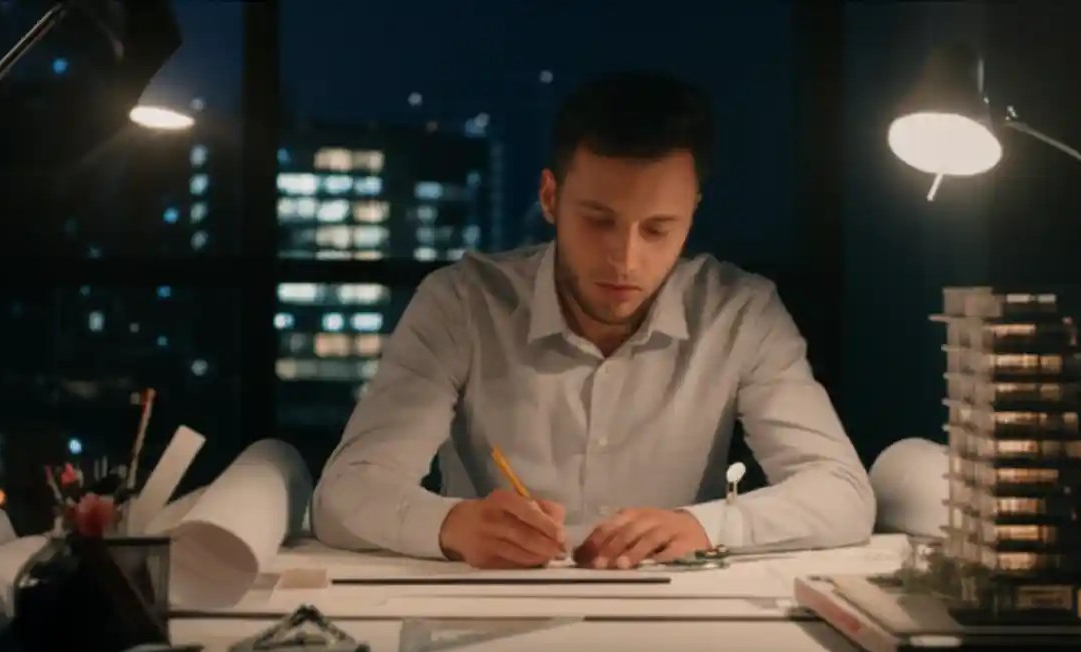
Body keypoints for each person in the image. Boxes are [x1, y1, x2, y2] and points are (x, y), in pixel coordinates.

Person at [311, 71, 875, 569]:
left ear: (693, 211)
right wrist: (450, 525)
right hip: (490, 607)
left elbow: (843, 493)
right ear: (550, 197)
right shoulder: (462, 303)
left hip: (670, 616)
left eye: (657, 229)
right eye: (598, 221)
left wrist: (706, 527)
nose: (625, 259)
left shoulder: (740, 313)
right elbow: (344, 494)